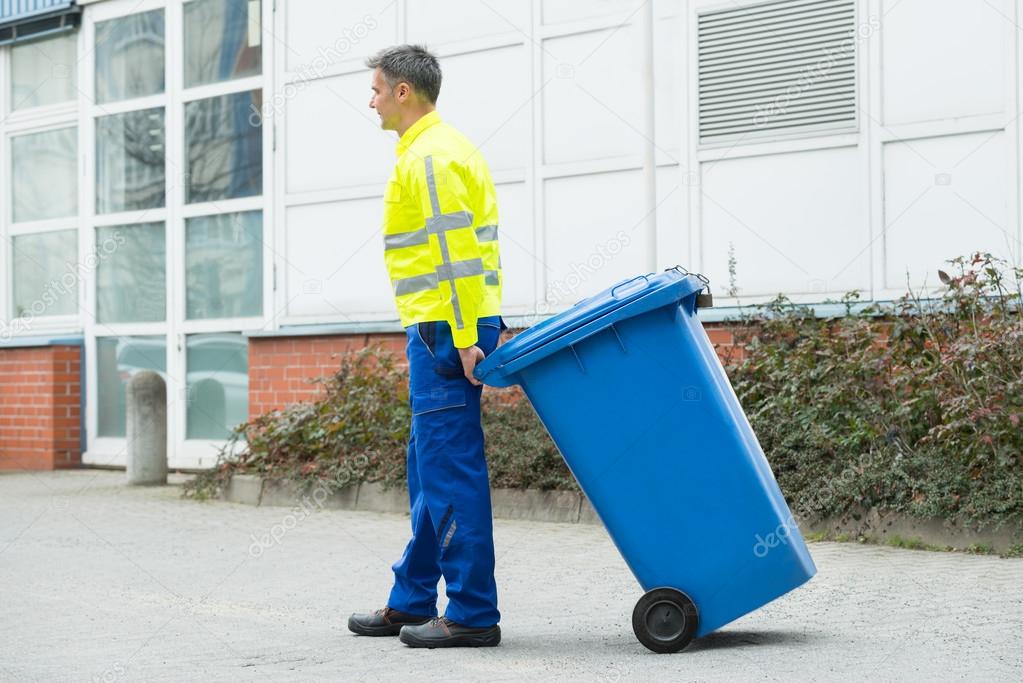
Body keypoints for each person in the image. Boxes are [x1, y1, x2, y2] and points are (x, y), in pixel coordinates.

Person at [347, 44, 505, 649]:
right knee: (428, 469)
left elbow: (455, 256)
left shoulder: (433, 157)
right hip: (444, 329)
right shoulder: (440, 148)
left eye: (378, 89)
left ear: (404, 92)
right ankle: (411, 598)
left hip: (446, 331)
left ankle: (471, 613)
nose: (373, 99)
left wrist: (465, 339)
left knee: (449, 473)